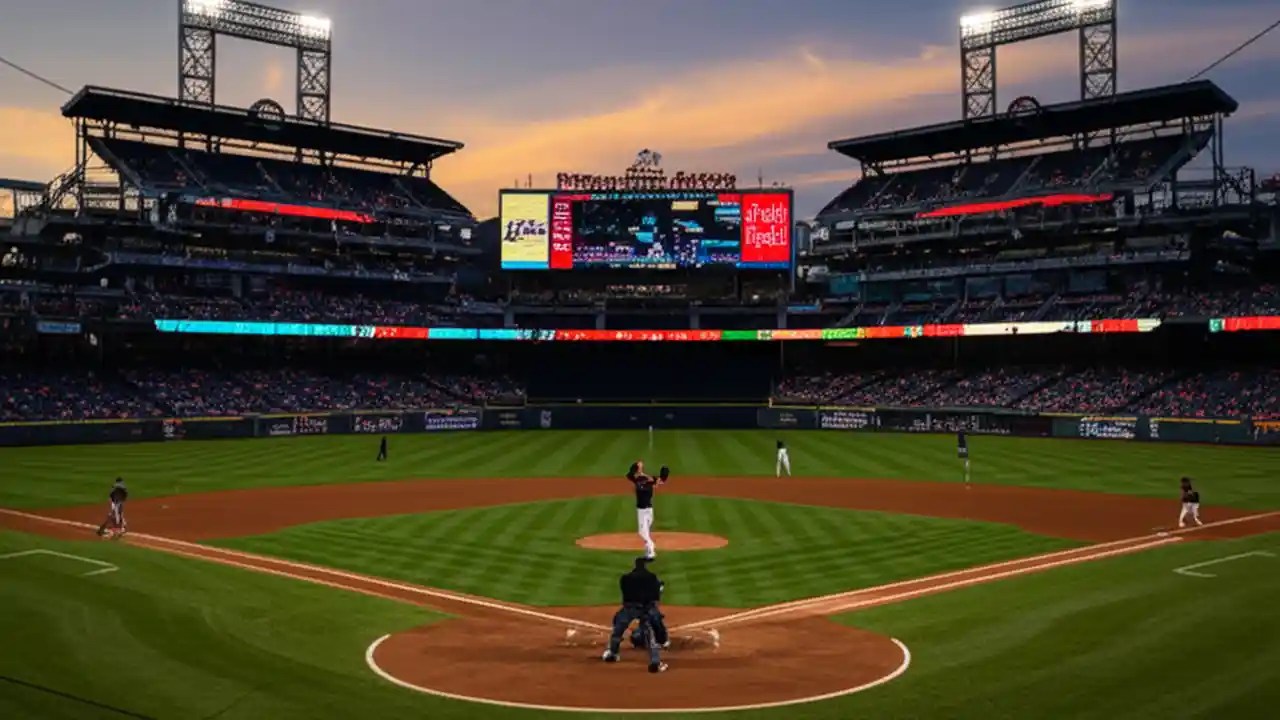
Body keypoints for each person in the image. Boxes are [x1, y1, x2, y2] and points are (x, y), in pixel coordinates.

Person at [602, 557, 669, 673]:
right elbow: (655, 597)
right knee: (649, 633)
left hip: (629, 608)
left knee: (618, 629)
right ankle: (655, 662)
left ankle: (613, 653)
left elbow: (625, 594)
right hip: (646, 608)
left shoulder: (626, 578)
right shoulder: (651, 578)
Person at [626, 461, 663, 560]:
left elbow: (660, 481)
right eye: (639, 466)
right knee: (643, 532)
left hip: (648, 509)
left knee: (644, 532)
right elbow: (628, 475)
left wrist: (656, 479)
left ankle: (650, 546)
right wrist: (638, 471)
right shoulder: (636, 478)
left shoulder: (649, 479)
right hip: (642, 510)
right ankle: (650, 550)